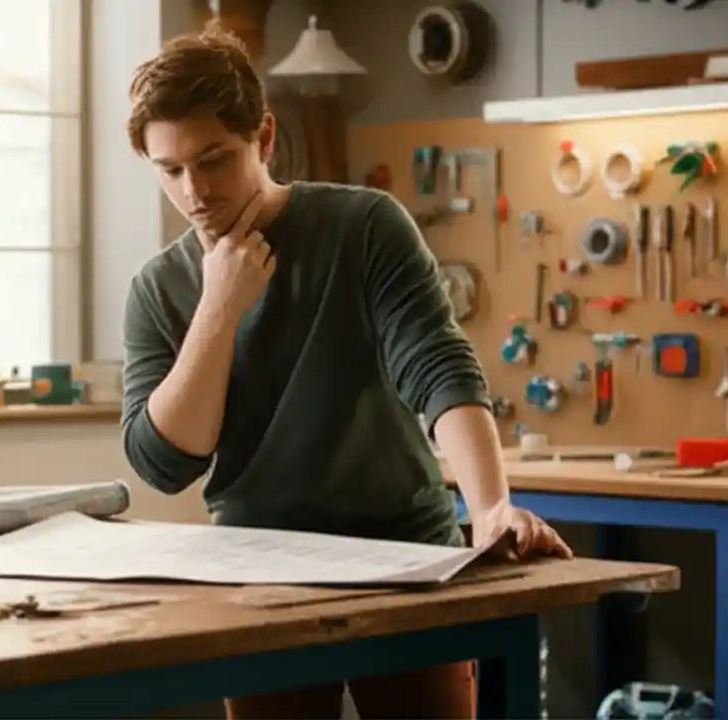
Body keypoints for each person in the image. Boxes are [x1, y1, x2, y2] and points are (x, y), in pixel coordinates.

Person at [119, 22, 572, 720]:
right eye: (170, 170)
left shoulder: (364, 226)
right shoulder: (159, 289)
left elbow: (439, 369)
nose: (196, 191)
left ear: (264, 138)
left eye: (215, 160)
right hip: (259, 574)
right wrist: (218, 308)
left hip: (404, 558)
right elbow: (164, 462)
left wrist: (488, 510)